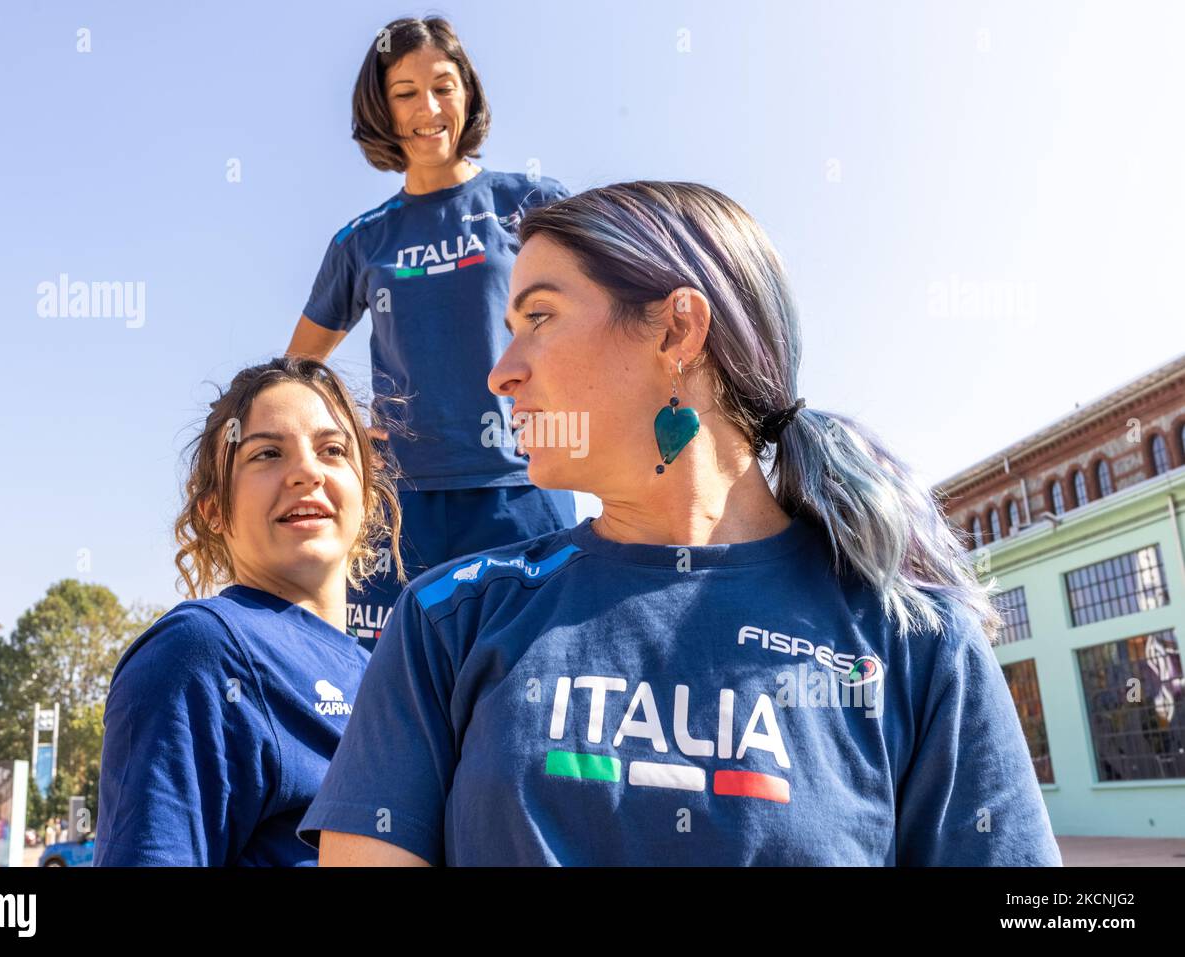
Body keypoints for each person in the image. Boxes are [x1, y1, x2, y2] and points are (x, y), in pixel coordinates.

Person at [297, 181, 1064, 866]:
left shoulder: (914, 644)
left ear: (676, 331)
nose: (500, 371)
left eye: (539, 316)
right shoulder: (446, 618)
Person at [287, 16, 577, 652]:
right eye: (405, 92)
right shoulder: (363, 240)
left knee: (527, 696)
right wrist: (346, 430)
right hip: (400, 506)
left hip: (520, 487)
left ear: (467, 94)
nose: (428, 108)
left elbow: (595, 315)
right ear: (382, 110)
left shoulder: (531, 202)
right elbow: (297, 371)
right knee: (389, 698)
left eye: (443, 86)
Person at [94, 357, 403, 866]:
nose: (306, 472)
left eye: (332, 450)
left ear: (367, 497)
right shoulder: (200, 650)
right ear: (214, 511)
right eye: (267, 454)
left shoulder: (382, 674)